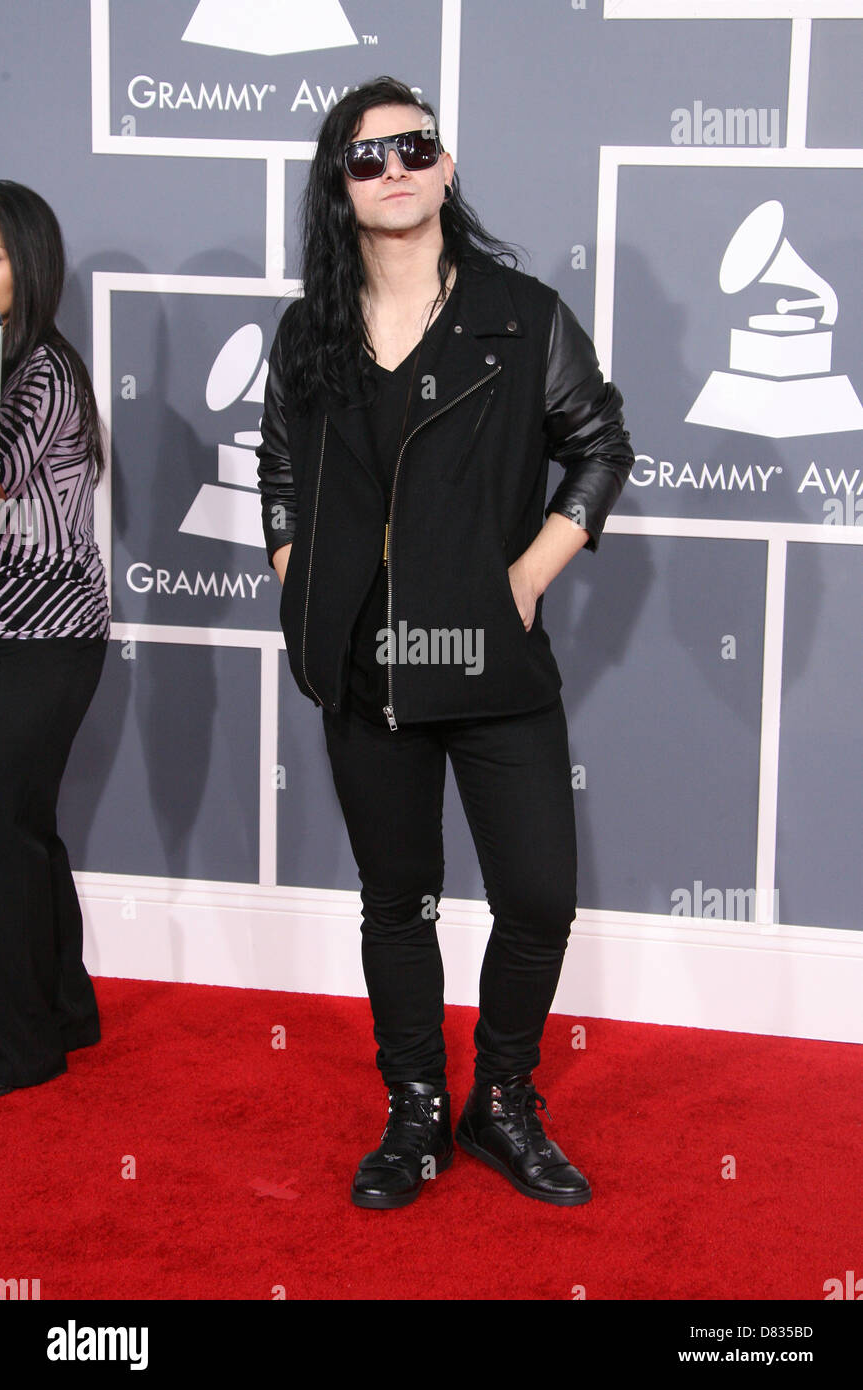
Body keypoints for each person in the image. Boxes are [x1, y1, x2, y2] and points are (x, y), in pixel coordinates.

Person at [257, 76, 635, 1209]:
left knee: (535, 897)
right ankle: (415, 1111)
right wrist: (301, 583)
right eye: (365, 157)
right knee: (398, 899)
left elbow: (601, 445)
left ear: (445, 166)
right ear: (338, 185)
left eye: (412, 147)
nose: (393, 169)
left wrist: (524, 574)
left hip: (490, 663)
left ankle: (502, 1102)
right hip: (363, 667)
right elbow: (279, 476)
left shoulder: (520, 316)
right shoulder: (307, 331)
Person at [0, 181, 110, 1098]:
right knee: (23, 829)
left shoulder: (44, 371)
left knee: (5, 832)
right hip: (12, 634)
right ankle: (65, 1009)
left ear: (29, 265)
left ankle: (21, 1047)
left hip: (46, 636)